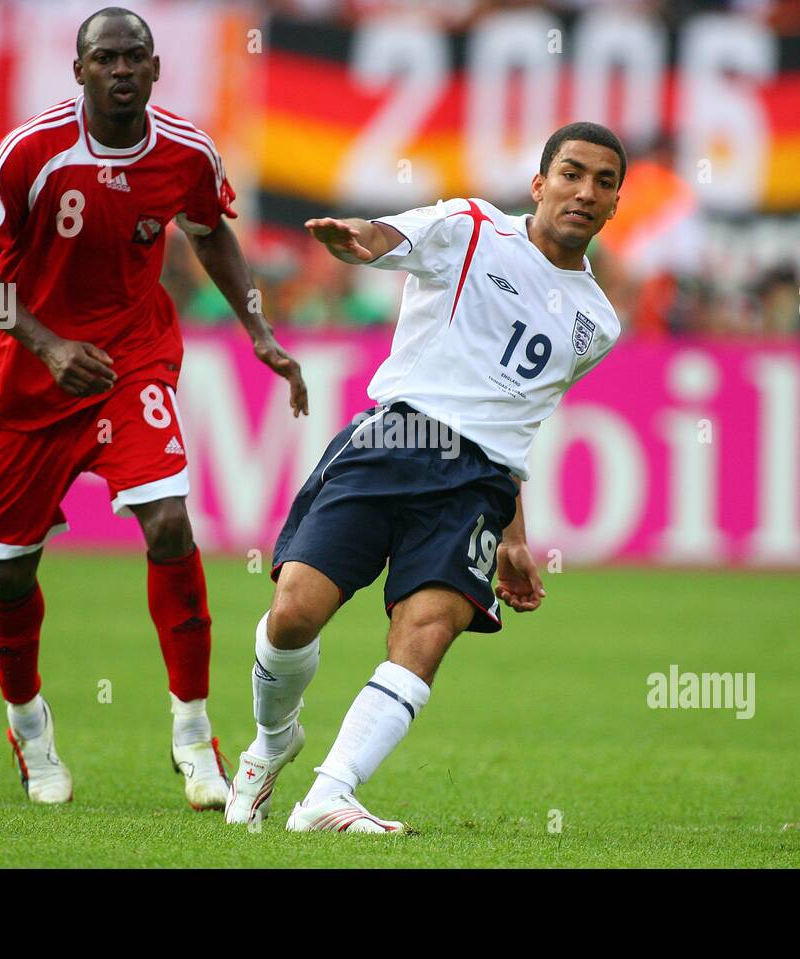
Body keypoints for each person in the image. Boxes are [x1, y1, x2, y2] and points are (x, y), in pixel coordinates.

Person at [0, 7, 308, 808]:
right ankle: (29, 726)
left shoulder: (185, 151)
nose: (120, 70)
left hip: (130, 361)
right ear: (78, 71)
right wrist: (45, 345)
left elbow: (211, 230)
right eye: (104, 57)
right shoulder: (29, 152)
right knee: (12, 570)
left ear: (154, 68)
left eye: (134, 57)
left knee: (171, 523)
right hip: (34, 382)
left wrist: (258, 329)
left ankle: (193, 732)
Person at [223, 122, 626, 833]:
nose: (584, 192)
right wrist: (358, 237)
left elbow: (514, 421)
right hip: (394, 441)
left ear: (617, 202)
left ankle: (330, 794)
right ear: (539, 184)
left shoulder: (597, 322)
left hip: (477, 489)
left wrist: (513, 534)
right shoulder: (469, 226)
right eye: (571, 174)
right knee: (293, 613)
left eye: (603, 181)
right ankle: (271, 740)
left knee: (428, 629)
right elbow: (386, 236)